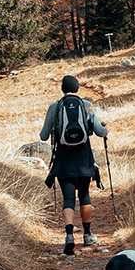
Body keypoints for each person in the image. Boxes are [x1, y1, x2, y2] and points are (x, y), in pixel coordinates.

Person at [40, 74, 108, 255]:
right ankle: (87, 234)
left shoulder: (55, 108)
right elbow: (100, 132)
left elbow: (43, 136)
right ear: (77, 88)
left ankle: (69, 235)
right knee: (84, 195)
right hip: (84, 158)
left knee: (68, 198)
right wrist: (104, 127)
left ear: (62, 89)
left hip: (63, 159)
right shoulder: (87, 106)